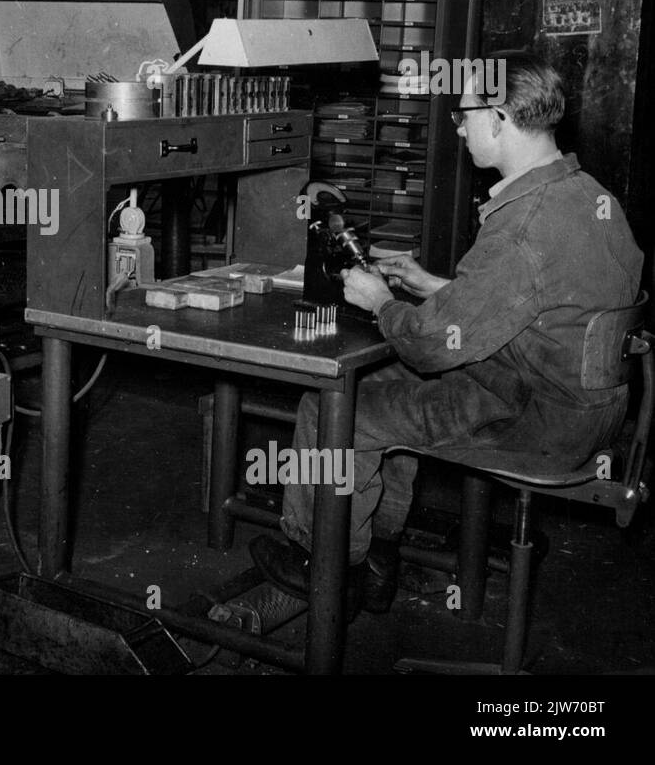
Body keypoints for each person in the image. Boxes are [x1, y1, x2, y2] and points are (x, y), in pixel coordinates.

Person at [251, 50, 645, 614]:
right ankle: (377, 552)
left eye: (464, 115)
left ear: (500, 118)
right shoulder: (589, 198)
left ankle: (330, 562)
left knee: (334, 407)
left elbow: (430, 346)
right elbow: (537, 305)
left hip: (537, 419)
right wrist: (433, 284)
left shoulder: (521, 229)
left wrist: (380, 297)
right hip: (580, 404)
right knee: (390, 386)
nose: (458, 127)